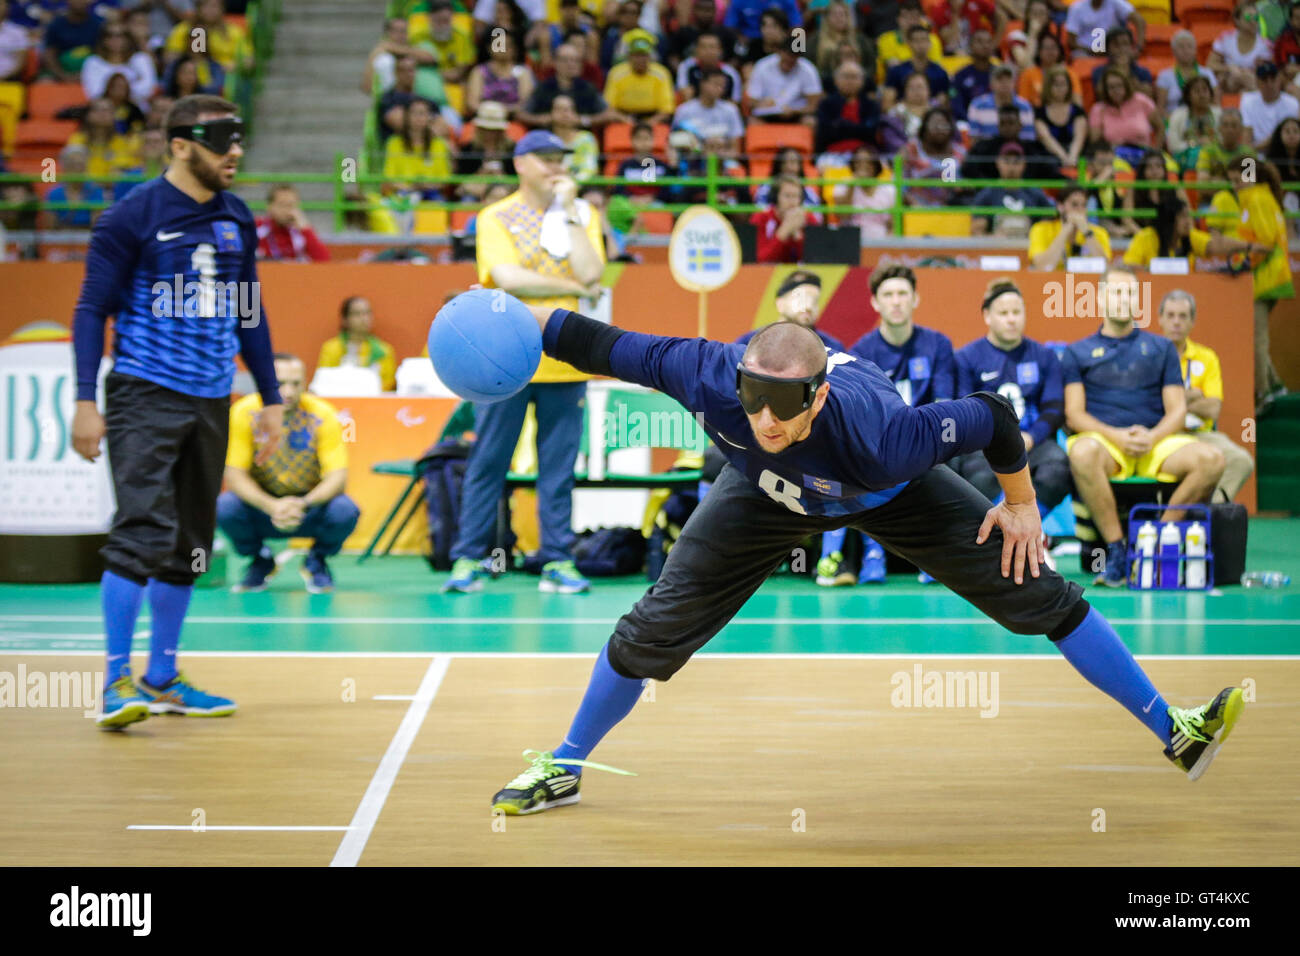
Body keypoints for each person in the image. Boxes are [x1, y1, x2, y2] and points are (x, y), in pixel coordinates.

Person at [486, 285, 1246, 815]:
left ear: (817, 396)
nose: (766, 418)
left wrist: (1021, 507)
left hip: (891, 495)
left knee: (1041, 591)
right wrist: (513, 319)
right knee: (650, 628)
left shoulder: (884, 438)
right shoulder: (707, 375)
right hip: (763, 496)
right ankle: (568, 762)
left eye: (785, 405)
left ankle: (1173, 729)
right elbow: (591, 340)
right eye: (753, 399)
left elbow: (991, 415)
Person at [70, 93, 284, 729]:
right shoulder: (130, 217)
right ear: (182, 145)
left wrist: (270, 397)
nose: (236, 152)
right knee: (142, 530)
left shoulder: (237, 217)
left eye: (239, 139)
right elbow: (90, 311)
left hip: (213, 398)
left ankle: (162, 676)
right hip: (144, 392)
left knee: (191, 542)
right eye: (222, 140)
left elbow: (250, 310)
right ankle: (113, 680)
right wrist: (86, 400)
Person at [444, 129, 606, 596]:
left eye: (561, 158)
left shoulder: (583, 214)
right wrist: (573, 289)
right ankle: (469, 558)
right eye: (544, 158)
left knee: (559, 468)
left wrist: (572, 214)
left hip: (566, 358)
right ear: (519, 163)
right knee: (489, 460)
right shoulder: (496, 217)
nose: (555, 166)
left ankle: (558, 560)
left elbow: (594, 271)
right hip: (504, 357)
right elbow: (506, 277)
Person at [1063, 265, 1226, 587]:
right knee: (1081, 452)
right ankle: (1118, 550)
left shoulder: (1161, 348)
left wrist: (1153, 436)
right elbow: (1074, 415)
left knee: (1213, 460)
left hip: (1156, 443)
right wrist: (1117, 437)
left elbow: (1177, 410)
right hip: (1107, 444)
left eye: (1129, 293)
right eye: (1116, 292)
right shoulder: (1076, 352)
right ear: (1100, 297)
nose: (1123, 300)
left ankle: (1153, 544)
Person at [818, 264, 955, 586]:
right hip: (882, 441)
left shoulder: (938, 345)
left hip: (928, 435)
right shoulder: (862, 352)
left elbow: (945, 401)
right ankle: (871, 552)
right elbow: (859, 412)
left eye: (902, 294)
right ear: (875, 304)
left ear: (915, 299)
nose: (896, 301)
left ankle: (933, 553)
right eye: (888, 295)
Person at [218, 353, 359, 593]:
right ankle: (260, 559)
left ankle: (317, 560)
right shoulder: (243, 412)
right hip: (263, 507)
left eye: (296, 384)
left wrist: (302, 503)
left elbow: (337, 477)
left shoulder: (323, 414)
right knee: (226, 507)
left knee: (345, 510)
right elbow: (234, 475)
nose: (289, 391)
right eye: (280, 383)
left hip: (307, 507)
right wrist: (271, 505)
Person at [951, 278, 1071, 542]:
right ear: (987, 316)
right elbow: (965, 408)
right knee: (979, 477)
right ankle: (1006, 532)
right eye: (1003, 313)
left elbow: (1054, 408)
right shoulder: (966, 358)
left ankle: (1028, 528)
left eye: (1017, 312)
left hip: (1032, 441)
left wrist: (1029, 437)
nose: (1011, 319)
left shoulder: (1045, 356)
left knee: (1058, 468)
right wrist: (998, 442)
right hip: (985, 445)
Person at [1156, 290, 1256, 503]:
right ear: (1160, 319)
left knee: (1241, 460)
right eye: (1171, 315)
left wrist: (1172, 401)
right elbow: (1151, 404)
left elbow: (1212, 409)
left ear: (1192, 322)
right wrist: (1192, 396)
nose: (1176, 322)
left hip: (1201, 433)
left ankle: (1212, 511)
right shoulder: (1151, 354)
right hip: (1163, 433)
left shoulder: (1206, 357)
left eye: (1183, 316)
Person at [1122, 195, 1256, 269]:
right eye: (1183, 217)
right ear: (1169, 219)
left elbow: (1216, 244)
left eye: (1188, 216)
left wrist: (1250, 246)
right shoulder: (1146, 237)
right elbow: (1128, 266)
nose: (1188, 221)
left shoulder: (1190, 236)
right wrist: (1156, 269)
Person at [735, 270, 846, 352]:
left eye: (814, 300)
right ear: (780, 304)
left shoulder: (832, 348)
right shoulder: (749, 343)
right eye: (800, 298)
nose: (808, 306)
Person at [971, 142, 1054, 237]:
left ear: (1024, 164)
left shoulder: (1035, 193)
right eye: (1007, 161)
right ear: (998, 163)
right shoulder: (986, 194)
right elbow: (977, 232)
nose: (1011, 167)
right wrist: (993, 239)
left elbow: (1048, 224)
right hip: (997, 248)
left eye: (1016, 162)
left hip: (1028, 248)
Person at [317, 296, 398, 392]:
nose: (364, 318)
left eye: (367, 313)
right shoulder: (331, 348)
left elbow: (389, 383)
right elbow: (323, 380)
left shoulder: (384, 350)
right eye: (357, 314)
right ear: (345, 319)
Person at [1028, 183, 1113, 268]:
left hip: (1085, 281)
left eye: (1084, 205)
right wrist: (1065, 230)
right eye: (1074, 205)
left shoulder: (1099, 232)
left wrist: (1087, 232)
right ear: (1060, 206)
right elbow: (1042, 266)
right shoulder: (1041, 229)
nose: (1079, 210)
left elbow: (1105, 267)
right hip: (1052, 280)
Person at [746, 34, 824, 125]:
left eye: (793, 58)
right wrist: (762, 104)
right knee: (753, 123)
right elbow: (751, 102)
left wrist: (795, 111)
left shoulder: (808, 70)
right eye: (787, 57)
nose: (789, 61)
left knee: (810, 122)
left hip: (797, 115)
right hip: (767, 115)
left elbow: (814, 105)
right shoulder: (762, 66)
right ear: (779, 52)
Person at [81, 18, 157, 110]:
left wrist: (114, 90)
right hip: (104, 112)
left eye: (120, 36)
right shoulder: (93, 62)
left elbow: (148, 90)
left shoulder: (141, 59)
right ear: (103, 39)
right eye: (110, 36)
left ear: (128, 39)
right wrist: (132, 87)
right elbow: (94, 93)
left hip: (138, 112)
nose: (115, 40)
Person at [673, 67, 745, 156]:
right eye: (716, 84)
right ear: (702, 84)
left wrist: (717, 155)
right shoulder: (684, 110)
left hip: (724, 162)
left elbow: (735, 150)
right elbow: (676, 144)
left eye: (722, 86)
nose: (720, 89)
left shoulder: (731, 110)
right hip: (693, 161)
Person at [750, 175, 822, 263]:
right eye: (787, 196)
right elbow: (760, 260)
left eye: (796, 196)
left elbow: (814, 261)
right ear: (776, 198)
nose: (792, 202)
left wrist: (798, 236)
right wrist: (784, 230)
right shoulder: (761, 218)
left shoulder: (809, 219)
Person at [815, 60, 881, 154]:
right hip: (833, 153)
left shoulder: (871, 105)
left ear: (862, 81)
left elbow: (871, 132)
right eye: (846, 77)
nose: (850, 81)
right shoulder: (826, 104)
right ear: (836, 80)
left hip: (865, 154)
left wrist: (841, 126)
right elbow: (825, 133)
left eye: (854, 77)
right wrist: (858, 129)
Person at [881, 23, 951, 111]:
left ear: (930, 43)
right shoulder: (896, 71)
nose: (921, 44)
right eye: (916, 40)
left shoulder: (940, 73)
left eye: (924, 40)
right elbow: (887, 103)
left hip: (930, 116)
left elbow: (943, 102)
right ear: (909, 44)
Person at [1208, 0, 1273, 93]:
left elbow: (1267, 74)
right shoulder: (1226, 38)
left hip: (1253, 82)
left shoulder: (1266, 45)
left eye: (1256, 17)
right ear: (1237, 20)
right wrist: (1229, 68)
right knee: (1229, 78)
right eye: (1248, 17)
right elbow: (1210, 65)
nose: (1252, 21)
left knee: (1249, 78)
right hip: (1229, 82)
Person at [1089, 67, 1161, 152]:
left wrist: (1156, 151)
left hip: (1143, 156)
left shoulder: (1142, 101)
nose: (1116, 90)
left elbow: (1160, 128)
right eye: (1111, 87)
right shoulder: (1098, 109)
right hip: (1113, 157)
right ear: (1105, 90)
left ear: (1126, 85)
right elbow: (1095, 141)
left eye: (1119, 86)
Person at [831, 146, 896, 238]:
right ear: (853, 165)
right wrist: (852, 185)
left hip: (880, 243)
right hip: (851, 241)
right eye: (858, 162)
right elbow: (843, 216)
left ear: (875, 165)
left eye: (868, 162)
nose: (863, 166)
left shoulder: (889, 190)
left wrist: (886, 246)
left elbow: (893, 226)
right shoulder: (843, 185)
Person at [255, 184, 330, 262]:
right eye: (282, 205)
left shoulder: (302, 231)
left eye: (291, 205)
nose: (287, 210)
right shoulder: (256, 228)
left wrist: (306, 228)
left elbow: (324, 260)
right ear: (269, 206)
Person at [1035, 65, 1088, 170]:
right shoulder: (1039, 112)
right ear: (1048, 87)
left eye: (1063, 84)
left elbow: (1079, 138)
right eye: (1056, 85)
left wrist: (1072, 158)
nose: (1060, 88)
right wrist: (1064, 158)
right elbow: (1045, 138)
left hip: (1075, 156)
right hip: (1051, 158)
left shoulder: (1078, 111)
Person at [1165, 74, 1221, 174]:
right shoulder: (1177, 115)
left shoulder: (1219, 114)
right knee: (1197, 154)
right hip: (1186, 158)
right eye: (1197, 91)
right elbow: (1173, 145)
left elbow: (1225, 141)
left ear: (1210, 93)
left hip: (1215, 155)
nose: (1202, 95)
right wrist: (1195, 144)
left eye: (1205, 90)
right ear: (1188, 96)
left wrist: (1210, 145)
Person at [965, 64, 1035, 142]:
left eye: (1008, 79)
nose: (1004, 83)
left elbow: (1029, 139)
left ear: (1014, 83)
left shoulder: (1025, 106)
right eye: (1000, 79)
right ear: (991, 83)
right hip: (986, 152)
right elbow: (974, 139)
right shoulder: (977, 105)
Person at [1155, 28, 1218, 114]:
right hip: (1173, 119)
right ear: (1173, 51)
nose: (1185, 50)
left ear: (1195, 50)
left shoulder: (1207, 73)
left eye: (1189, 46)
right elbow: (1161, 108)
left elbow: (1215, 104)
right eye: (1181, 47)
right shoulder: (1165, 76)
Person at [45, 144, 105, 229]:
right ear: (64, 167)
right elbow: (50, 228)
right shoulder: (54, 194)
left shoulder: (95, 191)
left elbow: (96, 226)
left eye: (80, 164)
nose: (77, 169)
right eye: (72, 164)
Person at [1240, 61, 1299, 148]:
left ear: (1279, 80)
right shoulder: (1247, 100)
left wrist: (1256, 147)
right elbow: (1246, 135)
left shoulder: (1292, 103)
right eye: (1264, 80)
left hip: (1281, 153)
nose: (1269, 84)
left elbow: (1290, 138)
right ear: (1257, 82)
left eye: (1273, 79)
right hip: (1255, 154)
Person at [41, 0, 103, 81]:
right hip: (60, 72)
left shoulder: (98, 25)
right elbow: (49, 55)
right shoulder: (56, 24)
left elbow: (102, 55)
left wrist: (86, 74)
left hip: (91, 71)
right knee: (45, 82)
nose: (79, 2)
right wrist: (63, 75)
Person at [1064, 0, 1145, 61]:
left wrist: (1138, 47)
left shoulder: (1116, 2)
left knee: (1125, 54)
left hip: (1113, 50)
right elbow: (1071, 41)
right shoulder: (1077, 7)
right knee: (1079, 57)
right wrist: (1093, 51)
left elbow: (1139, 20)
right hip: (1086, 52)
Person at [675, 29, 742, 102]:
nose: (708, 51)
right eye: (703, 47)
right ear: (696, 50)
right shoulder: (686, 66)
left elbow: (734, 101)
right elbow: (683, 92)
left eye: (712, 47)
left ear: (720, 51)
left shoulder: (730, 73)